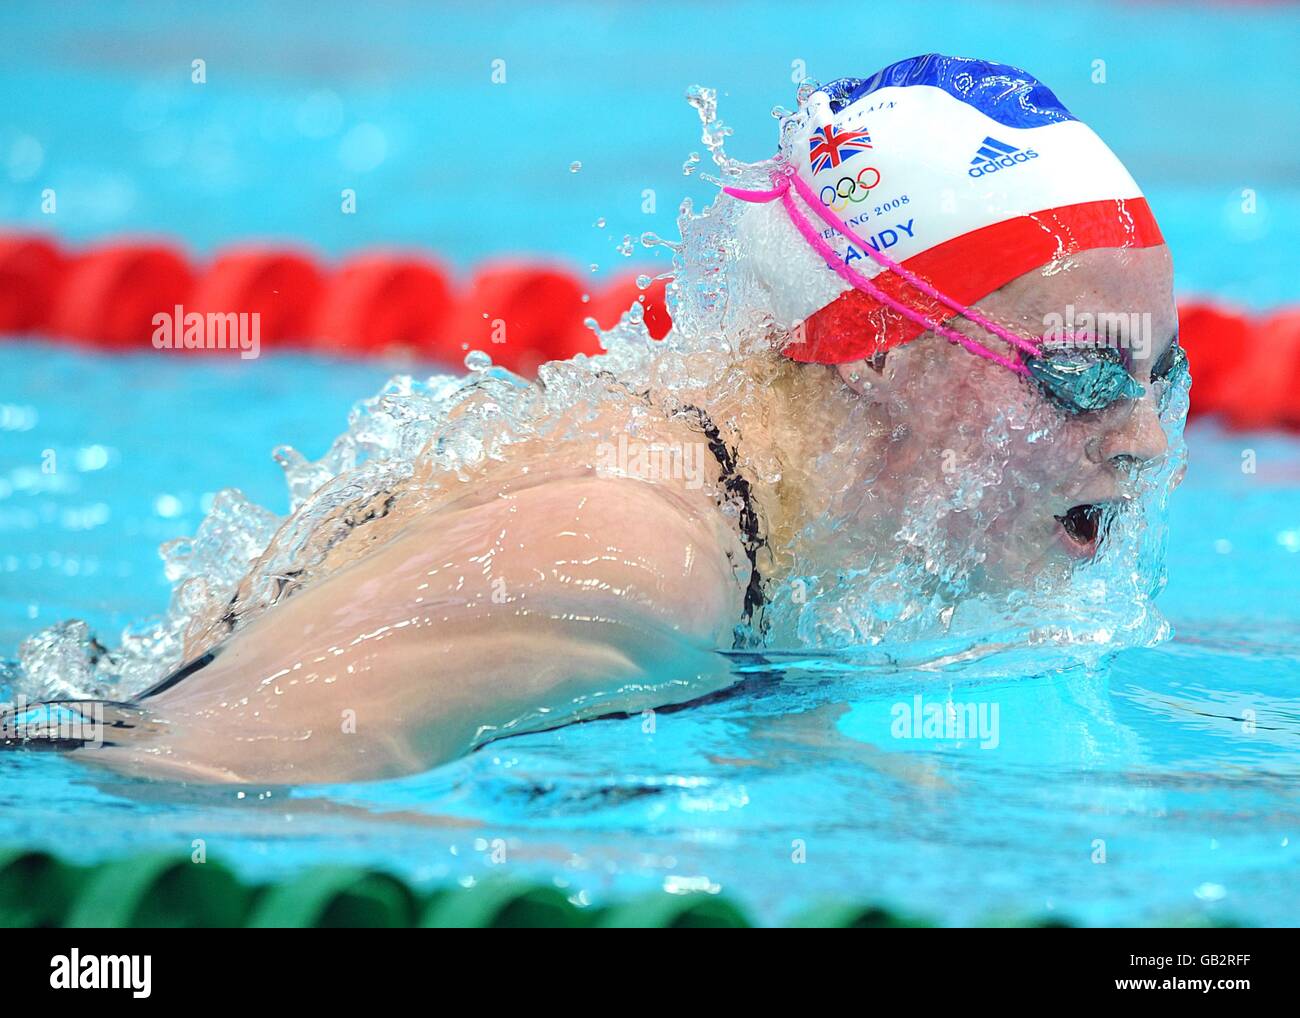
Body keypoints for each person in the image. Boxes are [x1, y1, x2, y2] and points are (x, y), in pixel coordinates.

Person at [1, 54, 1187, 783]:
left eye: (1165, 373)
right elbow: (184, 786)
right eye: (1081, 374)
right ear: (873, 350)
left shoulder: (766, 521)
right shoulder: (631, 557)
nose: (1138, 436)